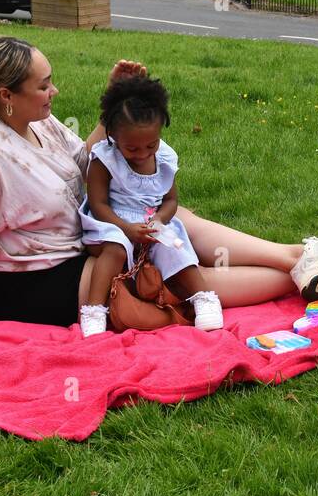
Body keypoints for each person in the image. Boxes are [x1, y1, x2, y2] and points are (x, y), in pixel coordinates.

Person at [0, 36, 318, 336]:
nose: (54, 91)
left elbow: (87, 160)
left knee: (169, 216)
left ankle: (300, 254)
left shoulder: (37, 123)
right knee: (170, 270)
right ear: (6, 96)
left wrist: (111, 103)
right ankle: (302, 278)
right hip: (32, 284)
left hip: (81, 238)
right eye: (44, 85)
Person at [77, 74, 222, 335]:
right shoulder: (104, 159)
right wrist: (127, 228)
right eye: (132, 149)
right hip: (111, 221)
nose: (142, 153)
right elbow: (98, 204)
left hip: (151, 220)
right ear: (112, 134)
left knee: (173, 245)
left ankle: (203, 297)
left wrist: (159, 222)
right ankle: (94, 309)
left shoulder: (164, 158)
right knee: (116, 248)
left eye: (150, 145)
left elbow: (170, 200)